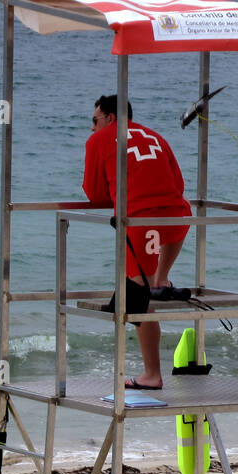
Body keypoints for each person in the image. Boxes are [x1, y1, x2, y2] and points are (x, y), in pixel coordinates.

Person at [83, 95, 191, 390]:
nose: (92, 128)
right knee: (146, 288)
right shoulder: (156, 136)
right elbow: (178, 185)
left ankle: (152, 375)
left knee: (138, 300)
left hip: (141, 221)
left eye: (95, 121)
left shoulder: (99, 140)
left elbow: (94, 194)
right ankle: (163, 277)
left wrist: (117, 193)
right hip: (178, 218)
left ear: (109, 118)